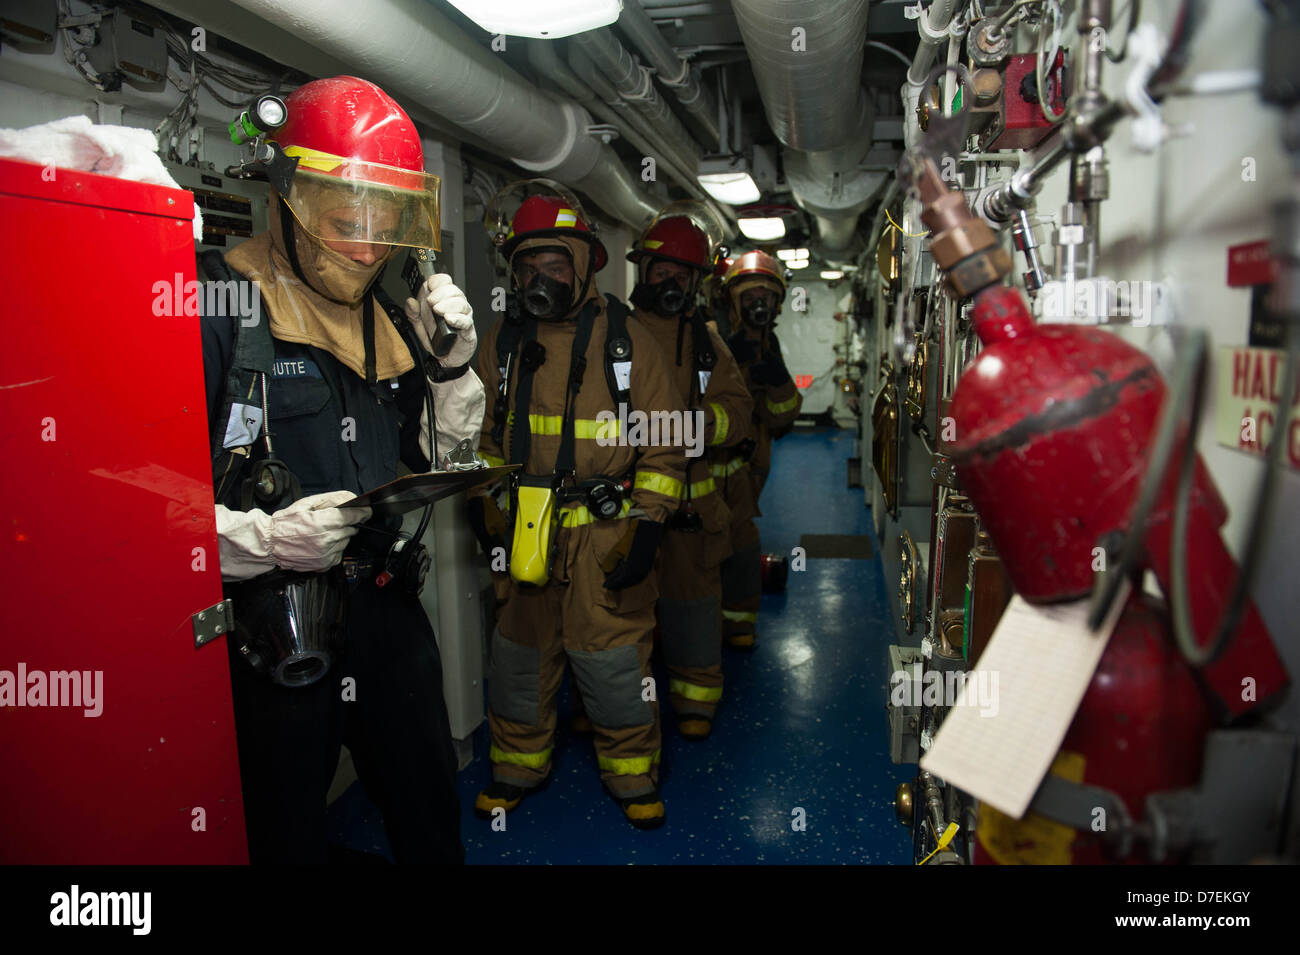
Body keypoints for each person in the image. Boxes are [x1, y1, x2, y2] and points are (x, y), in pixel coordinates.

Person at [200, 75, 483, 864]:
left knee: (428, 807)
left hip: (387, 607)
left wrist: (453, 368)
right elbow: (145, 514)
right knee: (281, 828)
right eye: (343, 215)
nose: (367, 243)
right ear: (287, 197)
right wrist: (263, 540)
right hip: (273, 623)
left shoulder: (390, 315)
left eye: (387, 218)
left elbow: (440, 453)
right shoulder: (217, 304)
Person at [468, 182, 688, 829]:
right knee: (519, 653)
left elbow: (668, 446)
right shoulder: (500, 345)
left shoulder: (630, 341)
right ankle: (515, 763)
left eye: (554, 264)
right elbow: (475, 440)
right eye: (528, 267)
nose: (541, 278)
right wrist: (488, 511)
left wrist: (647, 525)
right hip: (525, 528)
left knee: (613, 658)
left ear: (583, 264)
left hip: (604, 530)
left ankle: (632, 772)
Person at [620, 206, 753, 738]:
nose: (670, 282)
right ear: (642, 272)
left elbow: (741, 416)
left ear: (697, 282)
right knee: (622, 614)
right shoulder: (614, 334)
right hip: (627, 505)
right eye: (661, 271)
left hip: (693, 513)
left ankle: (696, 696)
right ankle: (612, 705)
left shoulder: (706, 342)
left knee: (694, 609)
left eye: (682, 274)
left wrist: (691, 424)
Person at [712, 251, 803, 650]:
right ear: (733, 301)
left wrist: (777, 378)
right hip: (713, 468)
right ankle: (706, 624)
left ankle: (739, 623)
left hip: (751, 469)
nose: (758, 306)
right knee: (714, 546)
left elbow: (782, 419)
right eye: (749, 298)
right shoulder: (713, 341)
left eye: (765, 297)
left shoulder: (769, 345)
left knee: (742, 546)